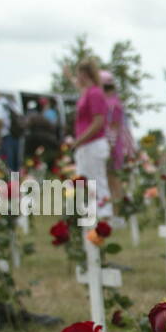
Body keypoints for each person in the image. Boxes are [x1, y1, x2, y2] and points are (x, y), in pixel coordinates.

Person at [66, 57, 114, 219]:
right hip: (86, 144)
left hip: (93, 143)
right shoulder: (87, 92)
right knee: (85, 178)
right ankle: (91, 210)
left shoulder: (94, 94)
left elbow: (98, 122)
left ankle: (104, 212)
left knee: (96, 179)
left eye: (78, 74)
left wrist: (78, 140)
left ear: (84, 75)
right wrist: (68, 76)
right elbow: (76, 84)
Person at [101, 71, 135, 208]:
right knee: (110, 180)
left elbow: (114, 127)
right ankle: (115, 210)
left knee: (114, 180)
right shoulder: (113, 102)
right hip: (111, 144)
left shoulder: (113, 104)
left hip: (112, 146)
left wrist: (109, 146)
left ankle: (118, 211)